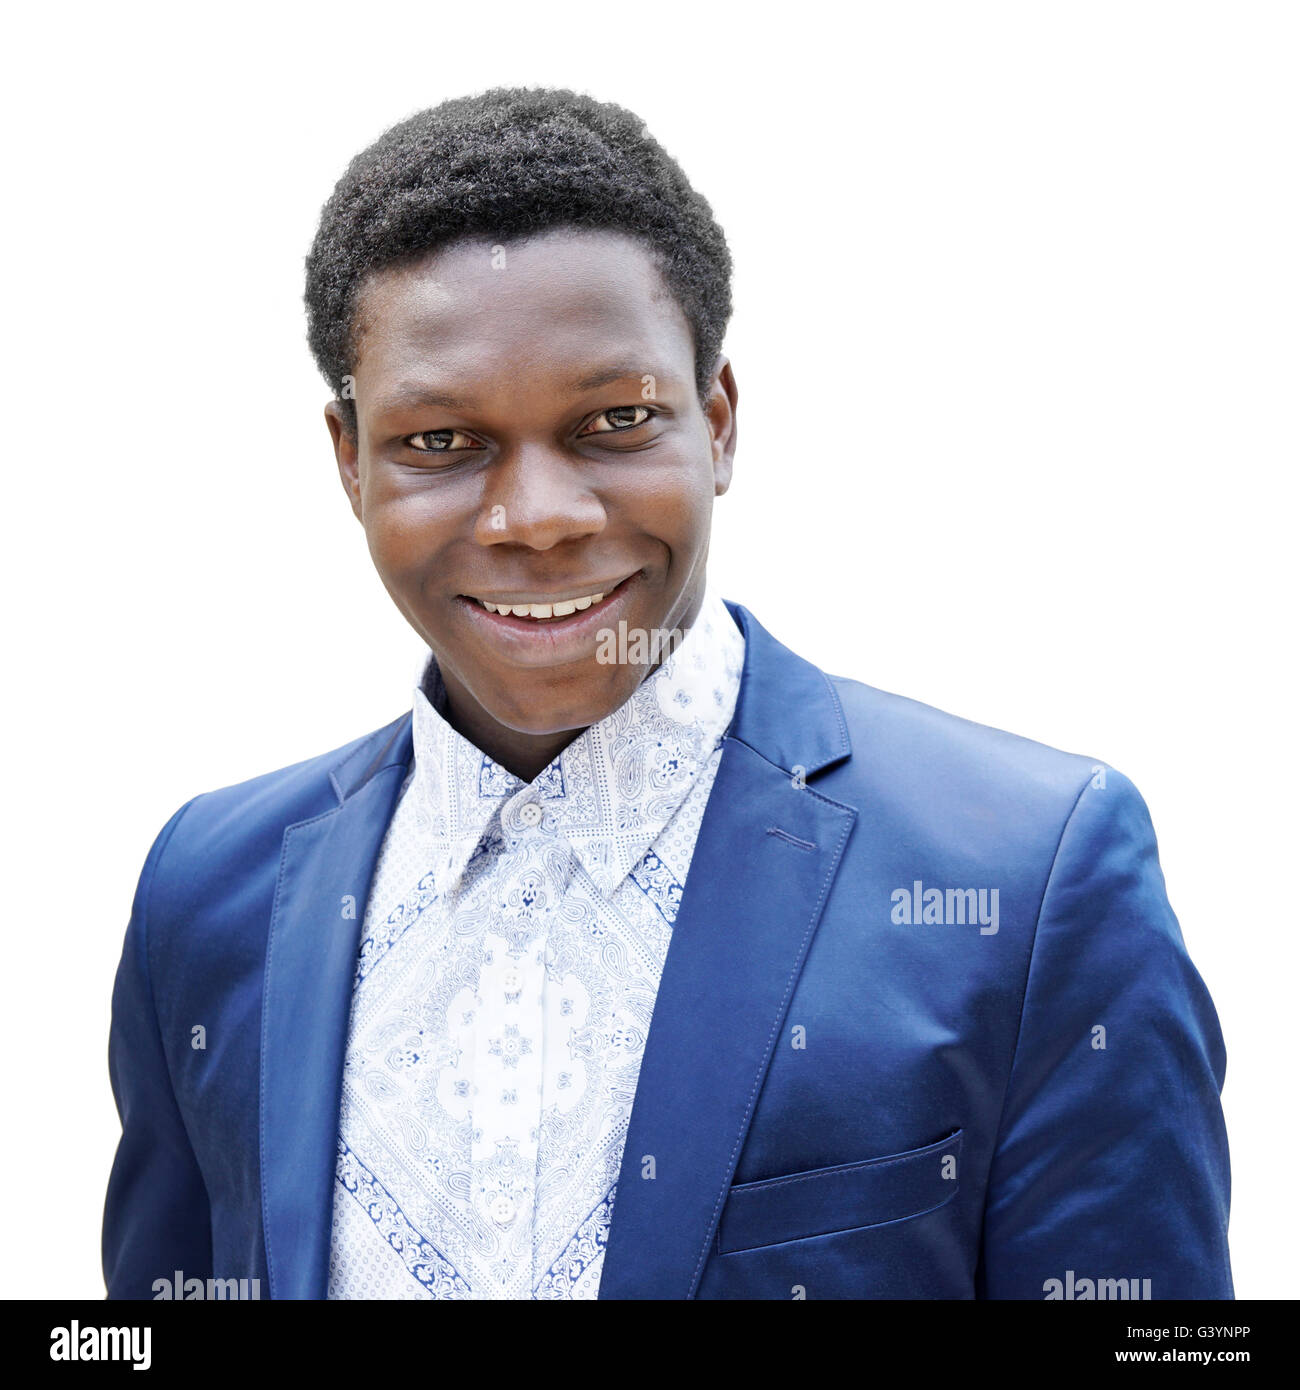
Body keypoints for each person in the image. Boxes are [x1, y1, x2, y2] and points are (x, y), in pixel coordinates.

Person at [103, 86, 1232, 1300]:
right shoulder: (210, 893)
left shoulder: (1030, 872)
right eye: (440, 441)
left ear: (719, 420)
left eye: (615, 420)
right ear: (348, 458)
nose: (536, 518)